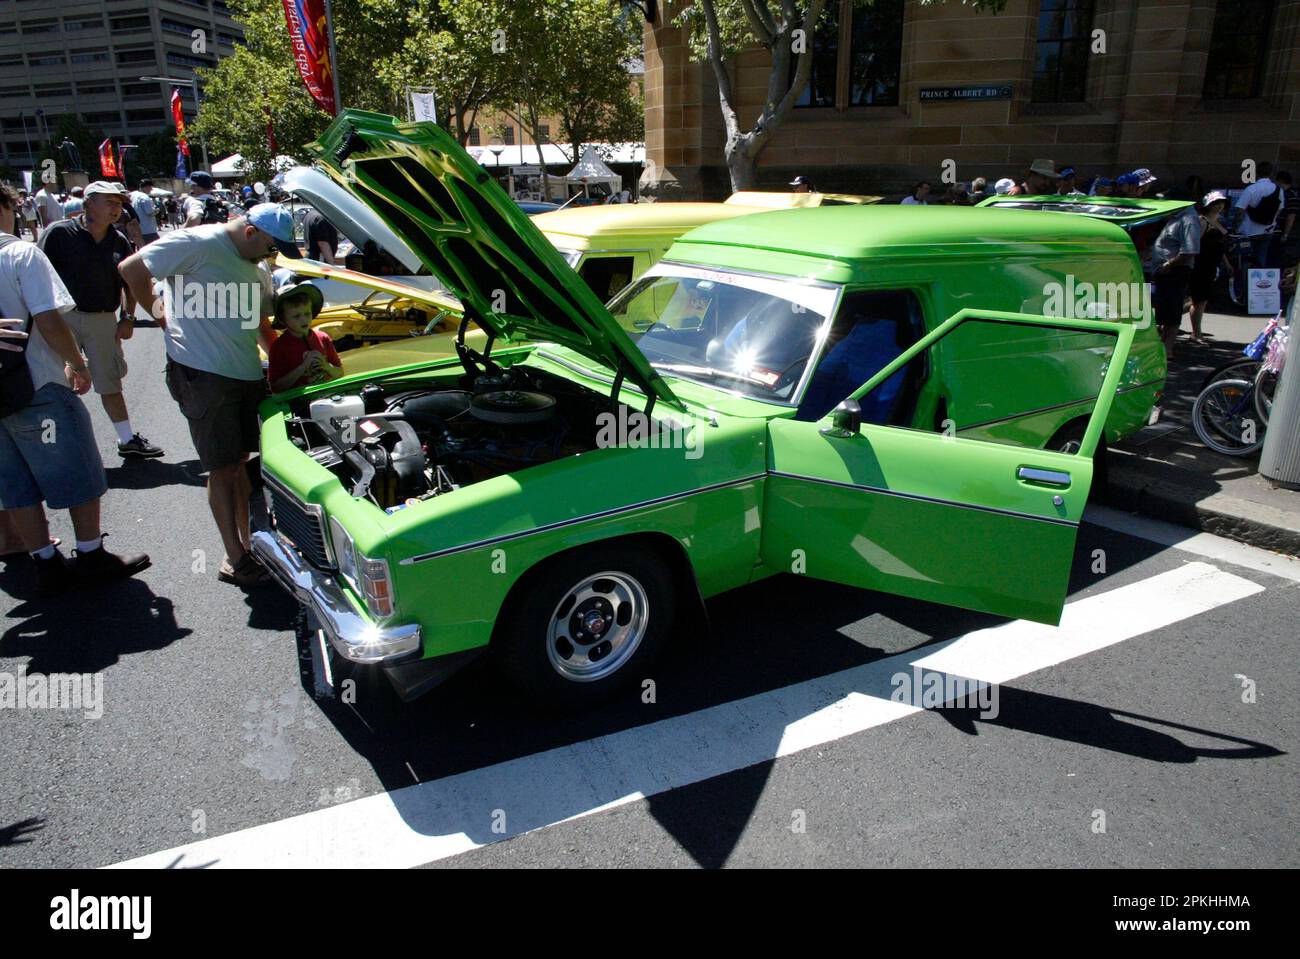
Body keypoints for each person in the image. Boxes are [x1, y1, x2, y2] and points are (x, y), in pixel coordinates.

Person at [118, 204, 299, 589]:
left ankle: (248, 547)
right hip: (203, 374)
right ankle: (234, 557)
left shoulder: (257, 269)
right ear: (250, 232)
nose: (272, 255)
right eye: (270, 246)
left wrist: (290, 360)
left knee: (241, 463)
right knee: (223, 468)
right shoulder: (198, 242)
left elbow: (259, 322)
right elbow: (131, 269)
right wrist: (155, 310)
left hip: (245, 373)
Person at [0, 183, 150, 594]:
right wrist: (76, 362)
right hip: (36, 382)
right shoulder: (19, 253)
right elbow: (48, 319)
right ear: (7, 208)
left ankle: (44, 563)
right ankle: (89, 553)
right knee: (80, 466)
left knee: (15, 482)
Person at [37, 181, 162, 459]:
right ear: (89, 202)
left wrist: (128, 317)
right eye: (110, 202)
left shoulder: (118, 240)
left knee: (110, 381)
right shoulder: (58, 233)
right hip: (62, 319)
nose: (117, 209)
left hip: (103, 319)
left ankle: (127, 439)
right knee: (58, 382)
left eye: (119, 203)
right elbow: (36, 275)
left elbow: (130, 282)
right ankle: (57, 444)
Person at [268, 279, 340, 392]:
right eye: (296, 316)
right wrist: (303, 367)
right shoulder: (279, 347)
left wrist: (326, 366)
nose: (304, 319)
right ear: (283, 319)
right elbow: (276, 387)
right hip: (300, 403)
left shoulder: (323, 338)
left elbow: (339, 372)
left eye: (307, 313)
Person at [1149, 200, 1201, 355]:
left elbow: (1189, 250)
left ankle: (1168, 348)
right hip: (1165, 271)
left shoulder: (1189, 219)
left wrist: (1169, 264)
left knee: (1172, 310)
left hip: (1175, 270)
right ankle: (1163, 344)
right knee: (1164, 309)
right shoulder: (1176, 217)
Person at [1188, 190, 1231, 345]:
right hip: (1201, 265)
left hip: (1212, 264)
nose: (1219, 206)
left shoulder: (1220, 222)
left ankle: (1166, 322)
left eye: (1221, 203)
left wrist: (1226, 263)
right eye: (1215, 203)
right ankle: (1196, 333)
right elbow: (1193, 244)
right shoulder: (1202, 221)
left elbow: (1220, 247)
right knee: (1198, 300)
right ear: (1208, 205)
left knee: (1201, 300)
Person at [1234, 164, 1289, 269]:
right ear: (1271, 173)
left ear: (1257, 173)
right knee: (1261, 257)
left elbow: (1240, 210)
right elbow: (1280, 209)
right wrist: (1272, 220)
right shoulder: (1279, 190)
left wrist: (1235, 227)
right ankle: (1258, 282)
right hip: (1268, 229)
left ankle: (1246, 281)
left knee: (1245, 258)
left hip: (1249, 230)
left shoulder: (1251, 189)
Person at [130, 179, 160, 245]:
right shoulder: (145, 197)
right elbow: (150, 212)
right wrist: (156, 210)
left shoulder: (133, 195)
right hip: (149, 230)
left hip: (137, 230)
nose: (151, 190)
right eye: (151, 188)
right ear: (147, 187)